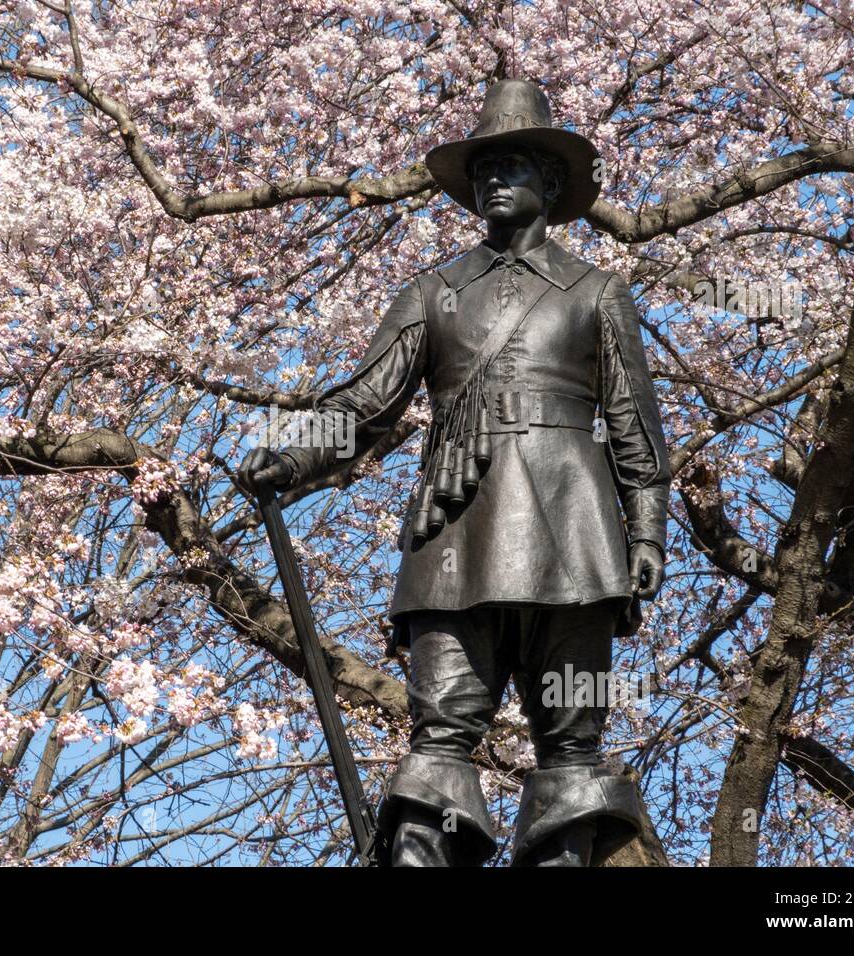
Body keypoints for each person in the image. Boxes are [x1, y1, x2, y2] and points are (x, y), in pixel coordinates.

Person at [238, 79, 671, 867]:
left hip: (575, 534)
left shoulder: (599, 294)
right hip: (456, 532)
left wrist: (646, 532)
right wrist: (296, 450)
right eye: (481, 170)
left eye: (509, 165)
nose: (492, 180)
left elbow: (637, 429)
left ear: (549, 180)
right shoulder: (433, 294)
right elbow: (368, 400)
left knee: (574, 740)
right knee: (439, 732)